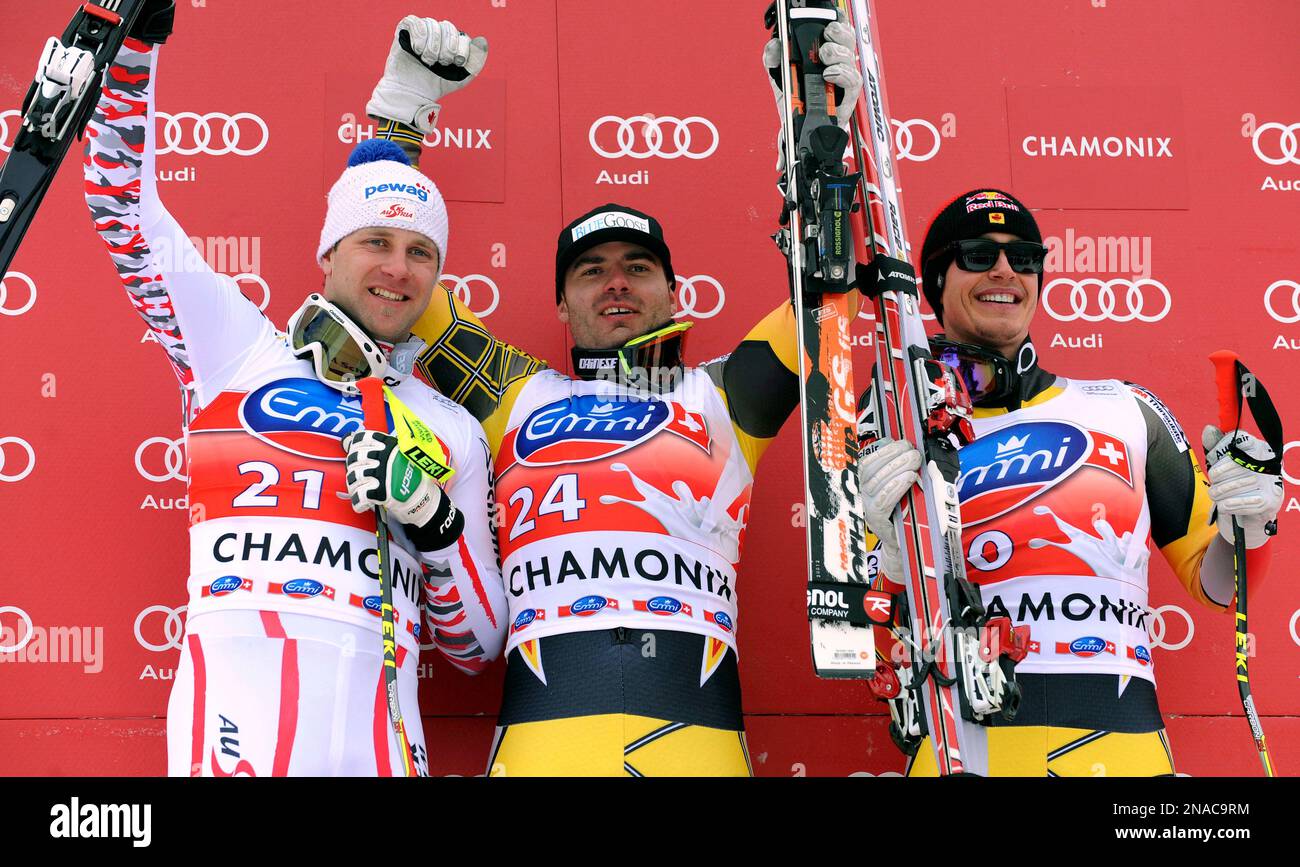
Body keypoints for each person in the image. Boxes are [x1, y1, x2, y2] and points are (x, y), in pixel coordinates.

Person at [364, 14, 863, 775]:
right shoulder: (513, 395)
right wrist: (400, 115)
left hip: (699, 749)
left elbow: (833, 294)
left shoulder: (725, 396)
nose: (618, 282)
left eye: (638, 265)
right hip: (541, 748)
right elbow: (388, 277)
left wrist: (824, 131)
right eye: (592, 271)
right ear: (562, 304)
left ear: (673, 289)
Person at [81, 5, 505, 776]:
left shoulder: (450, 429)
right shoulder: (236, 353)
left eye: (420, 252)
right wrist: (135, 41)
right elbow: (123, 209)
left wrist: (436, 524)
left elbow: (477, 647)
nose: (398, 268)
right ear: (328, 252)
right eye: (375, 241)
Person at [858, 188, 1283, 776]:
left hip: (1122, 749)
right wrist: (892, 560)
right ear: (935, 281)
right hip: (965, 751)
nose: (1005, 270)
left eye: (1025, 257)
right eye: (979, 255)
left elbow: (1221, 589)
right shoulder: (893, 418)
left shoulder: (1127, 409)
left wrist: (1250, 526)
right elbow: (864, 635)